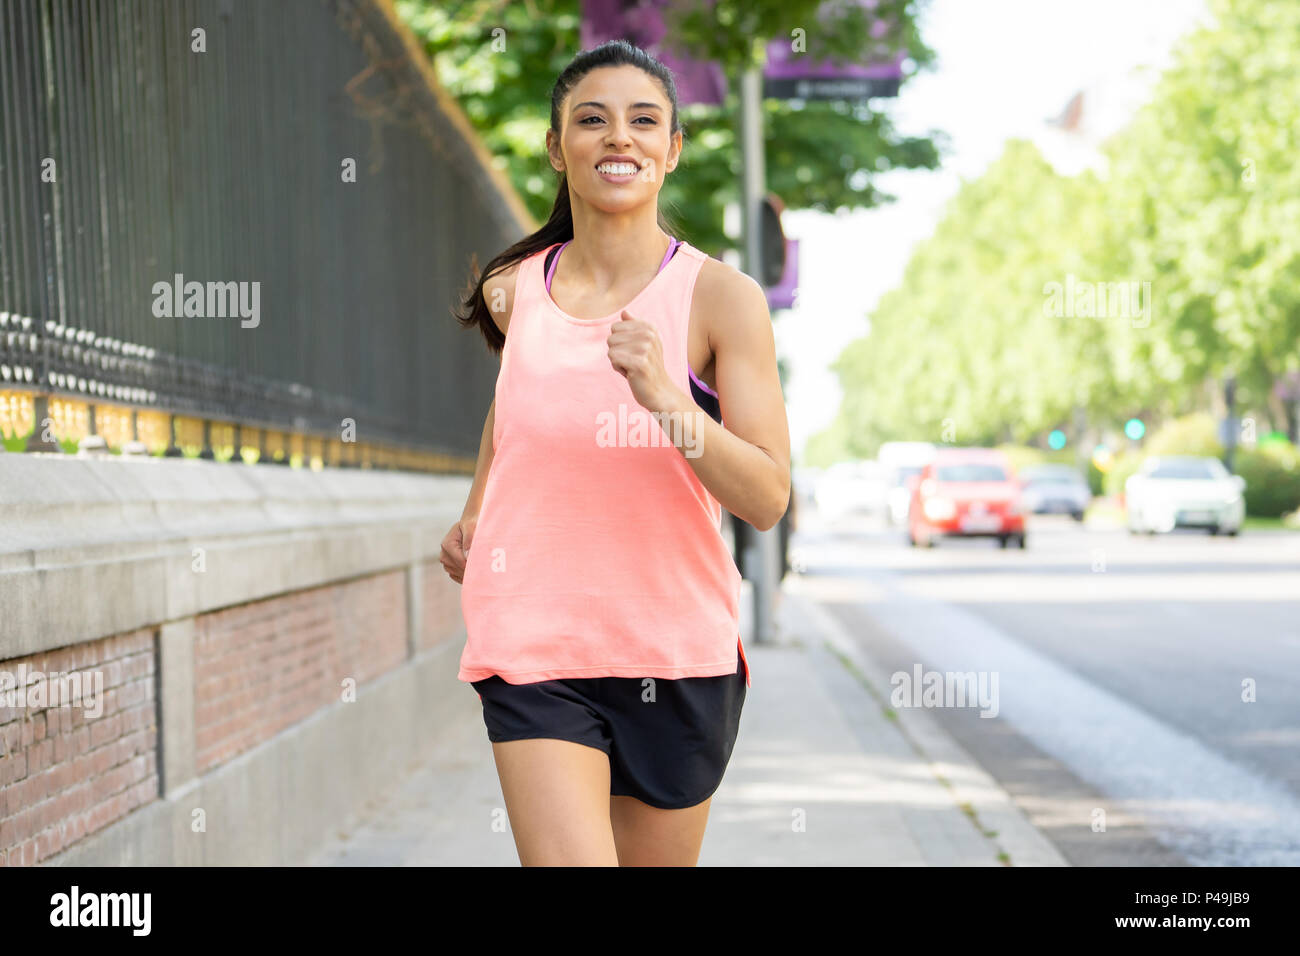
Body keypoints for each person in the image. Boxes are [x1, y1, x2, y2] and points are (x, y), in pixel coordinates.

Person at [441, 39, 790, 867]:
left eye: (644, 121)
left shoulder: (721, 298)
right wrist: (475, 511)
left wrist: (670, 402)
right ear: (559, 148)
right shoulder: (513, 288)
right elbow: (514, 408)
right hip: (533, 648)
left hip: (675, 651)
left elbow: (768, 496)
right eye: (591, 120)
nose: (618, 138)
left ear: (671, 150)